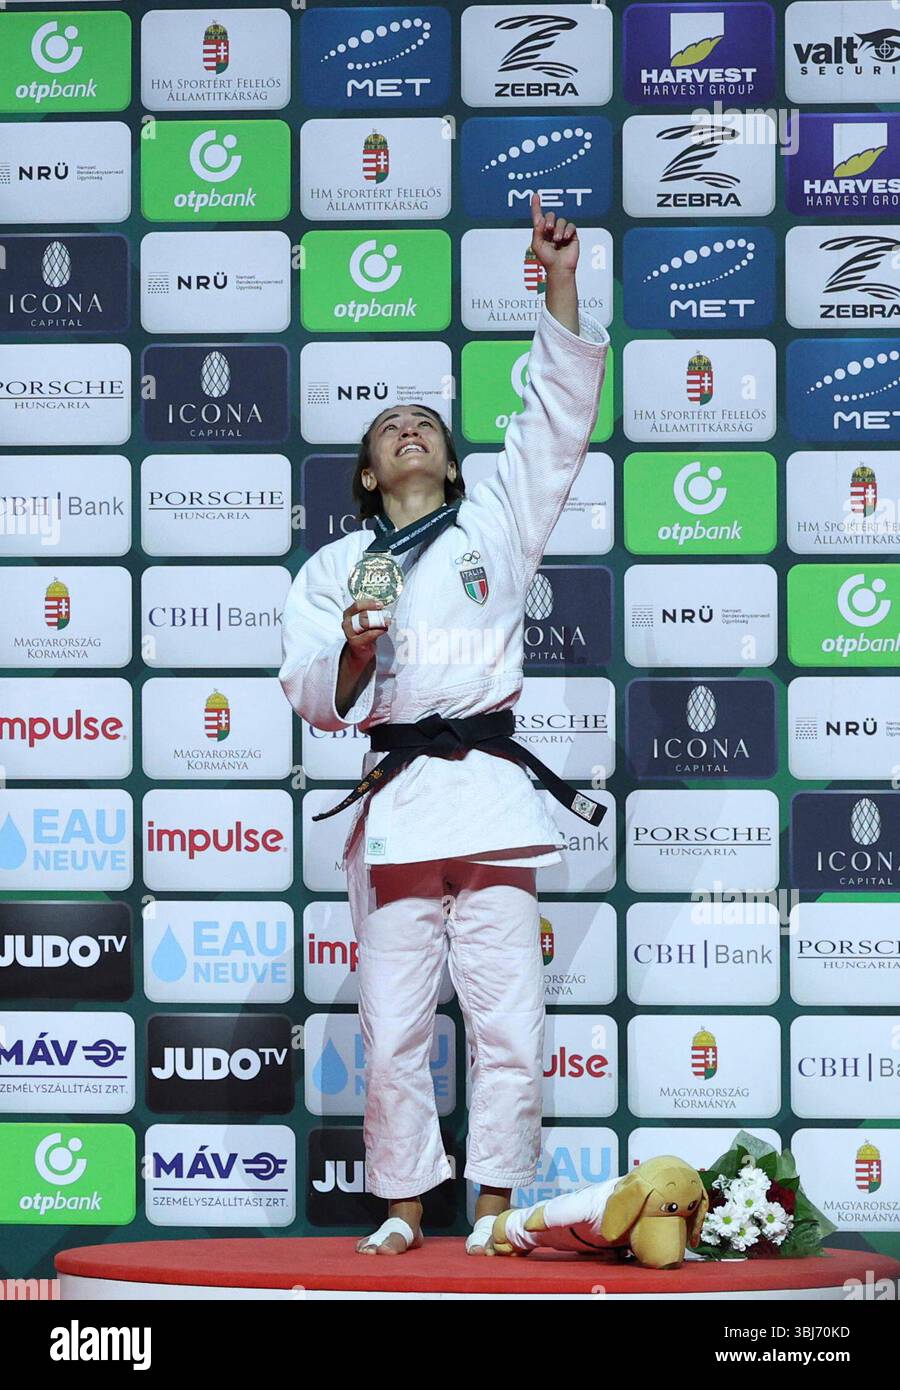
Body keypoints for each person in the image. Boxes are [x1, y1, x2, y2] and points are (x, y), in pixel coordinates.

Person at [279, 193, 610, 1255]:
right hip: (400, 802)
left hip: (490, 795)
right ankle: (405, 1204)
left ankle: (499, 1202)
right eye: (388, 430)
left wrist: (558, 282)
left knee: (511, 1020)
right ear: (370, 476)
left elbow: (555, 419)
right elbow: (308, 687)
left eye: (426, 423)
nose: (410, 427)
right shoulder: (334, 569)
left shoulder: (498, 523)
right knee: (394, 1029)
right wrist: (360, 652)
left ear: (454, 464)